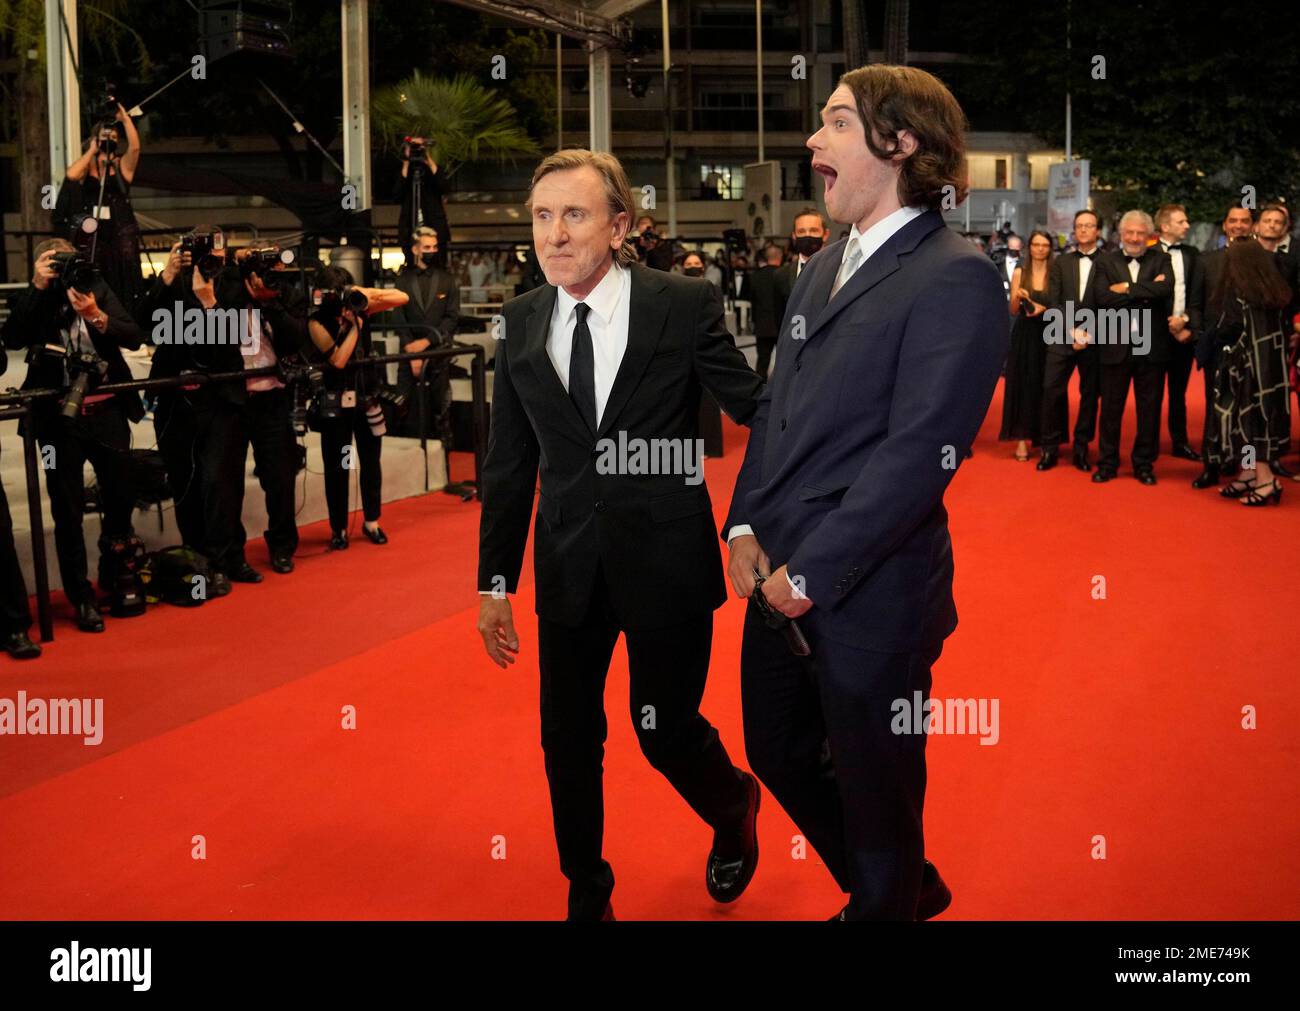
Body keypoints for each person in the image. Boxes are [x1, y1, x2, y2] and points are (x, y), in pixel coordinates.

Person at [725, 65, 1008, 920]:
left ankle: (885, 895)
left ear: (902, 142)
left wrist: (809, 574)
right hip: (775, 568)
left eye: (838, 123)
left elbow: (922, 453)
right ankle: (901, 892)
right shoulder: (820, 267)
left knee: (880, 794)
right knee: (775, 750)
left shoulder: (959, 275)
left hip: (872, 589)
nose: (814, 141)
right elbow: (777, 406)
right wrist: (742, 519)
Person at [475, 148, 764, 921]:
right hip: (568, 562)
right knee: (567, 738)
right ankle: (587, 894)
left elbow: (754, 413)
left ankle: (734, 805)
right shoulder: (521, 320)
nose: (554, 235)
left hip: (666, 558)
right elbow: (509, 461)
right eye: (542, 216)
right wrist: (493, 581)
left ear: (620, 225)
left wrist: (750, 521)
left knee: (665, 731)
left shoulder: (681, 303)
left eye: (574, 214)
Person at [1, 239, 144, 632]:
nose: (65, 268)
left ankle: (116, 575)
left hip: (107, 411)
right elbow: (12, 338)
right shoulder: (40, 295)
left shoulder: (94, 283)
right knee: (66, 509)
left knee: (120, 496)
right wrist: (37, 285)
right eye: (55, 262)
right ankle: (81, 596)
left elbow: (133, 334)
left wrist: (97, 315)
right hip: (54, 420)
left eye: (68, 260)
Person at [307, 266, 408, 549]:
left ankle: (372, 521)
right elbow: (338, 360)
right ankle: (338, 528)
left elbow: (402, 297)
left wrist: (364, 295)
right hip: (335, 403)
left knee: (371, 462)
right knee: (337, 467)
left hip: (367, 398)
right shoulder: (317, 321)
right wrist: (355, 327)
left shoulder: (360, 305)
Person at [1202, 238, 1292, 506]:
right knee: (1260, 420)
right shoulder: (1274, 291)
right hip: (1271, 368)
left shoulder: (1238, 293)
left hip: (1246, 369)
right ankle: (1249, 472)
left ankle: (1266, 481)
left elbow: (1229, 328)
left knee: (1250, 424)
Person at [1090, 210, 1173, 484]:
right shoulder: (1104, 261)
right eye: (1130, 233)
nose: (1135, 238)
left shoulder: (1162, 259)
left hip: (1151, 345)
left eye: (1140, 233)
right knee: (1111, 409)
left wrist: (1126, 288)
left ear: (1149, 236)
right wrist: (1146, 291)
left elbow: (1165, 291)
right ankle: (1107, 463)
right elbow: (1101, 298)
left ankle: (1144, 464)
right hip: (1115, 344)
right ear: (1121, 234)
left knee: (1149, 409)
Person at [1193, 205, 1255, 488]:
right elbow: (1196, 303)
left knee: (1249, 409)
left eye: (1244, 221)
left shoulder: (1262, 260)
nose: (1239, 225)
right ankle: (1212, 464)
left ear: (1251, 225)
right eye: (1234, 221)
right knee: (1214, 406)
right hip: (1218, 345)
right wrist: (1200, 334)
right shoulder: (1207, 261)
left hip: (1252, 345)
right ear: (1225, 225)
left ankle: (1245, 466)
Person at [57, 106, 143, 310]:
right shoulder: (89, 165)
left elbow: (135, 148)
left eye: (114, 136)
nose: (110, 138)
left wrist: (125, 120)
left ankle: (128, 316)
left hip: (120, 227)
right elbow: (71, 176)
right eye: (106, 135)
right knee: (95, 266)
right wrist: (92, 150)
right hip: (94, 229)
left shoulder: (121, 164)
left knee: (124, 269)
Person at [388, 227, 461, 464]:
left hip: (438, 352)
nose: (432, 251)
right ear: (415, 249)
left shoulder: (447, 280)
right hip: (408, 353)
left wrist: (426, 343)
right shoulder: (402, 280)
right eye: (427, 247)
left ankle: (444, 458)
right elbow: (398, 318)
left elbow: (451, 318)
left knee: (441, 406)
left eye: (435, 246)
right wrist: (411, 349)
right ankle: (406, 461)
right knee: (403, 402)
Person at [1039, 209, 1103, 470]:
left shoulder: (1109, 263)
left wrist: (1089, 332)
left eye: (1089, 225)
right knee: (1051, 390)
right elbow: (1053, 302)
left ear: (1097, 231)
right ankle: (1049, 448)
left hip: (1095, 338)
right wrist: (1071, 330)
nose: (1084, 230)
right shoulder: (1061, 263)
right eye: (1080, 226)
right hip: (1061, 335)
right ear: (1074, 231)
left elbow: (1110, 304)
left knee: (1090, 395)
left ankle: (1081, 448)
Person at [999, 229, 1056, 461]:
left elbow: (1062, 303)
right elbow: (1013, 310)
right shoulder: (1020, 272)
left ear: (1050, 248)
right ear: (1029, 247)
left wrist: (1045, 309)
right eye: (1036, 244)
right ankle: (1021, 439)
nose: (1040, 249)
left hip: (1050, 333)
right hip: (1025, 334)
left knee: (1047, 385)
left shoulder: (1056, 272)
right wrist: (1018, 297)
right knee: (1023, 384)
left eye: (1044, 245)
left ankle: (1045, 438)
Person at [1154, 204, 1205, 462]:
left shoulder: (1193, 254)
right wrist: (1166, 323)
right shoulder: (1148, 253)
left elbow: (1198, 295)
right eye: (1181, 221)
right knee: (1149, 393)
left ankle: (1180, 442)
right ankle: (1147, 443)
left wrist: (1185, 322)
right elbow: (1144, 297)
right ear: (1165, 226)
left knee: (1178, 393)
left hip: (1183, 335)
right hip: (1153, 336)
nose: (1187, 225)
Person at [395, 136, 451, 268]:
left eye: (419, 147)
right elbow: (397, 194)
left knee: (438, 265)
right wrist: (406, 161)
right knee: (411, 266)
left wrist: (428, 159)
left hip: (435, 225)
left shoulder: (433, 170)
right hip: (409, 227)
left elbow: (444, 187)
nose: (417, 151)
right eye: (414, 147)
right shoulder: (405, 171)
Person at [739, 243, 785, 379]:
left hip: (762, 325)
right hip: (782, 325)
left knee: (762, 362)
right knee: (784, 361)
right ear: (780, 257)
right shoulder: (785, 275)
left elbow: (751, 300)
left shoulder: (755, 277)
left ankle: (761, 392)